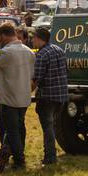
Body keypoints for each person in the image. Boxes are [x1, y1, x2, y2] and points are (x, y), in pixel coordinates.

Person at [0, 23, 34, 172]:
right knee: (19, 128)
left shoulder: (6, 52)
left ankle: (19, 159)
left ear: (3, 36)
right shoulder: (29, 52)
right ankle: (8, 155)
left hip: (9, 98)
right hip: (24, 96)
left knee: (11, 131)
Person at [30, 26, 68, 166]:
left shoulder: (42, 55)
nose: (32, 40)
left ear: (40, 39)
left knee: (48, 127)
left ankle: (50, 157)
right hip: (61, 96)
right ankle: (51, 154)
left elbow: (36, 79)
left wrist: (26, 93)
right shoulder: (59, 50)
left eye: (34, 37)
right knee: (52, 126)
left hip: (47, 96)